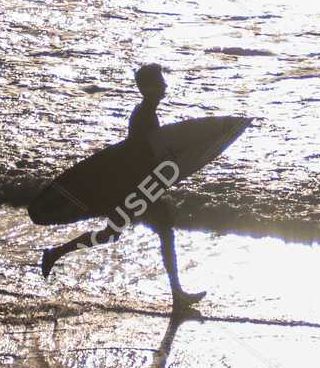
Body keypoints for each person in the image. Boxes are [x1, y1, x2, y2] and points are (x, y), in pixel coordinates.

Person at [39, 64, 205, 307]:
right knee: (160, 233)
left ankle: (55, 253)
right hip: (136, 189)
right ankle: (178, 295)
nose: (164, 86)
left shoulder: (146, 112)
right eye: (160, 82)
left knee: (113, 235)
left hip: (136, 187)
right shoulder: (145, 116)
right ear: (149, 88)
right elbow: (140, 156)